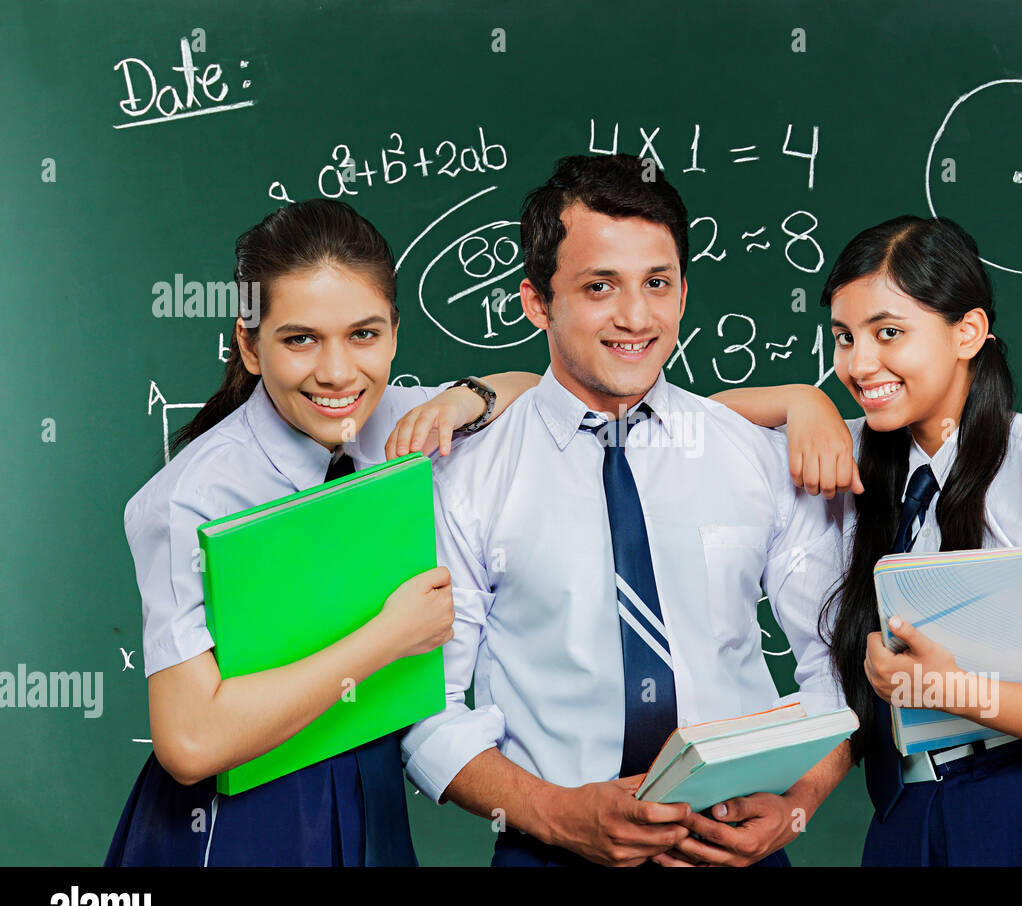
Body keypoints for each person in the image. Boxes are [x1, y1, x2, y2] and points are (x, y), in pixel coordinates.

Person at [399, 155, 853, 867]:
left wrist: (798, 804)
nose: (636, 317)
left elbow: (834, 656)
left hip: (737, 846)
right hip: (549, 848)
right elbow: (428, 707)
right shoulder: (464, 479)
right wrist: (556, 815)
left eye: (658, 284)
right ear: (536, 302)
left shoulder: (754, 457)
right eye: (599, 286)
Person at [713, 215, 1022, 865]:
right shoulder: (849, 458)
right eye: (843, 338)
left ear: (967, 332)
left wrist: (958, 693)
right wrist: (801, 401)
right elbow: (690, 430)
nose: (859, 363)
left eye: (888, 333)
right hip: (913, 812)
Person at [106, 198, 538, 866]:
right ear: (250, 344)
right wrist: (388, 640)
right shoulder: (191, 497)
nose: (337, 372)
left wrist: (462, 399)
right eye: (300, 339)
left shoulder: (390, 413)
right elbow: (189, 743)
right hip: (243, 817)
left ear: (394, 331)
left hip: (368, 790)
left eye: (363, 335)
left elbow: (532, 392)